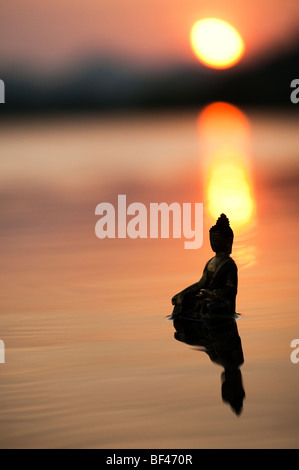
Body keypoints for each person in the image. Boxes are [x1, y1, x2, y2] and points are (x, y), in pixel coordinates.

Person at [171, 213, 237, 318]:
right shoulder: (211, 262)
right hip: (207, 297)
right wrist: (183, 294)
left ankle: (205, 331)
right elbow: (201, 283)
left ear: (227, 241)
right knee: (185, 302)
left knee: (208, 307)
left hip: (223, 303)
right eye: (211, 240)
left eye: (216, 240)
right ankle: (184, 331)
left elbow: (231, 290)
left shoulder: (229, 265)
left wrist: (212, 294)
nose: (213, 243)